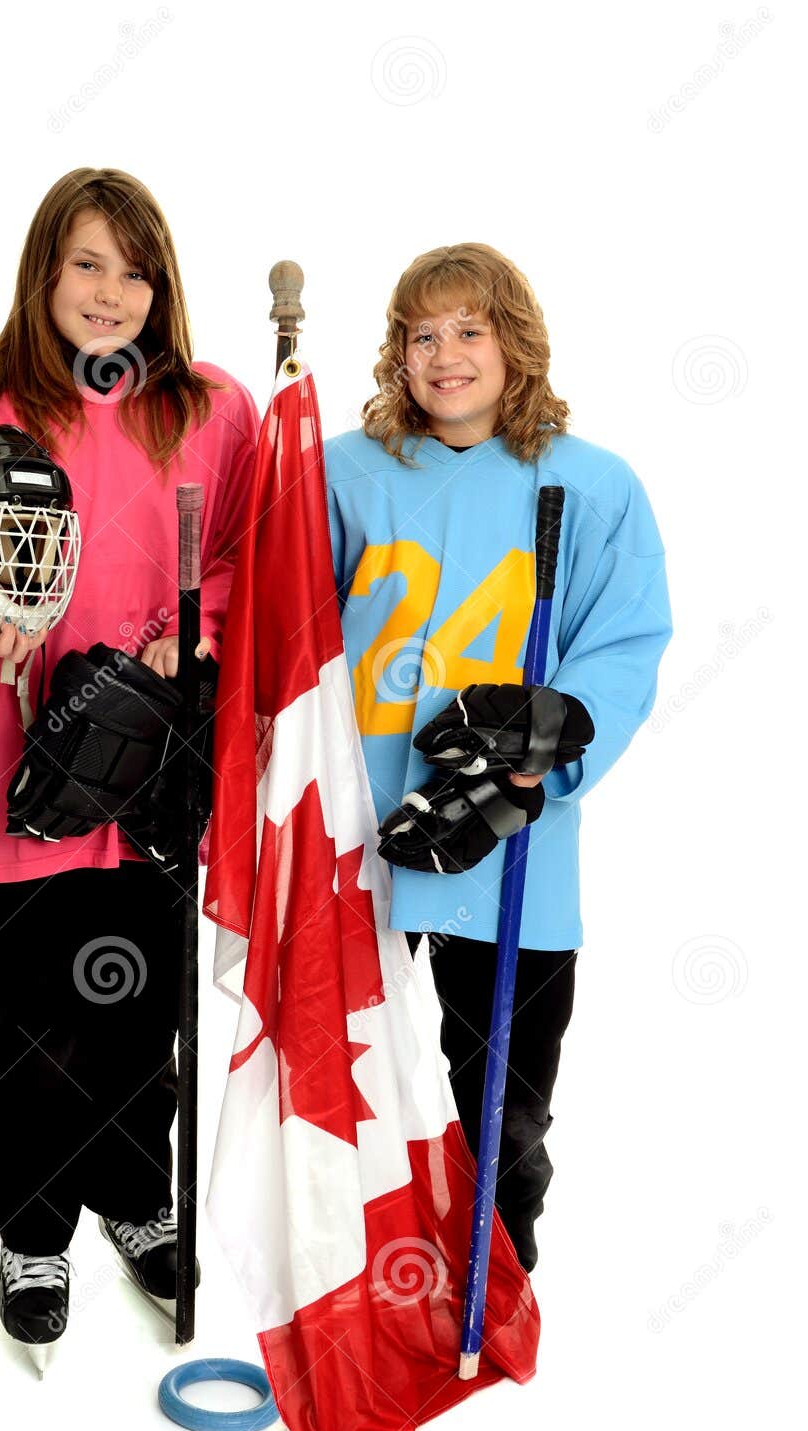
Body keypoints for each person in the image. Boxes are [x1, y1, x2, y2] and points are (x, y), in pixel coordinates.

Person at [0, 167, 258, 1351]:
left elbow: (247, 555)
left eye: (135, 272)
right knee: (31, 1029)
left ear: (161, 288)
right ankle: (33, 1228)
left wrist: (197, 630)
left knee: (138, 1018)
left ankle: (136, 1198)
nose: (110, 293)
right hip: (17, 778)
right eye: (87, 263)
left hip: (156, 771)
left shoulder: (212, 410)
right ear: (44, 269)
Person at [324, 242, 672, 1271]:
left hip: (513, 832)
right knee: (343, 1086)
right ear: (396, 353)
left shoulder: (591, 484)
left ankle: (493, 1272)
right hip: (357, 822)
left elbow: (624, 639)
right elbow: (286, 626)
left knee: (504, 1098)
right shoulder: (343, 472)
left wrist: (552, 736)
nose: (445, 355)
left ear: (513, 341)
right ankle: (356, 1276)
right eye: (421, 335)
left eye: (468, 330)